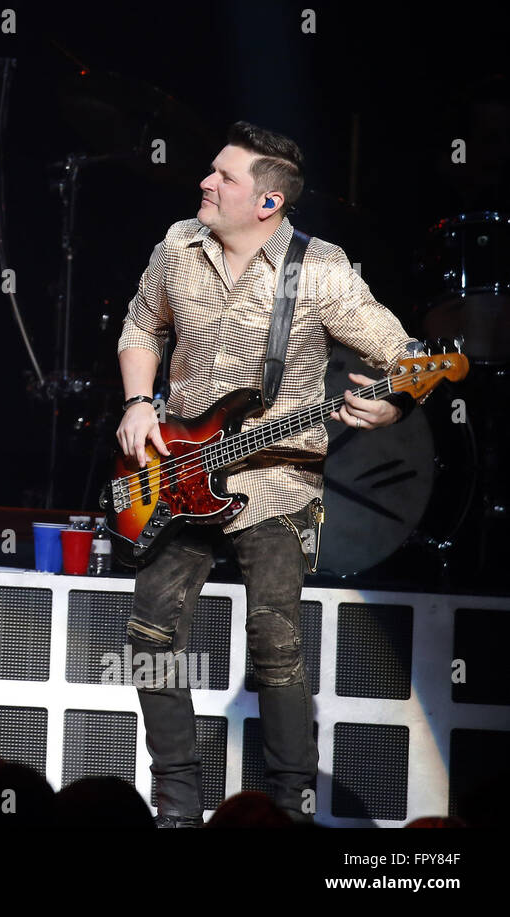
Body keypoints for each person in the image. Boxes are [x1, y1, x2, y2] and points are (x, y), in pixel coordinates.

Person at [115, 122, 421, 826]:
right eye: (210, 171)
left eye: (223, 176)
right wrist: (138, 401)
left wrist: (398, 401)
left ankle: (289, 812)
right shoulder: (177, 246)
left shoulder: (319, 269)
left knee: (275, 641)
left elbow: (403, 352)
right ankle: (177, 809)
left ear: (267, 203)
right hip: (182, 470)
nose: (205, 181)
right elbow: (141, 326)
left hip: (278, 478)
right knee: (150, 635)